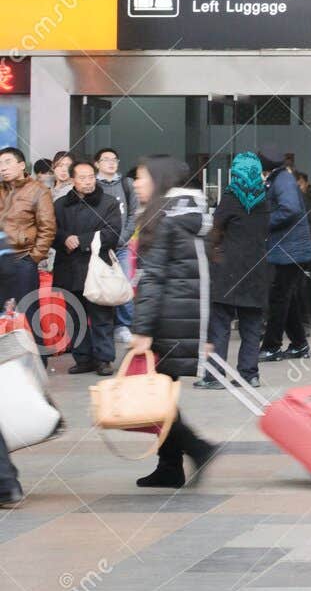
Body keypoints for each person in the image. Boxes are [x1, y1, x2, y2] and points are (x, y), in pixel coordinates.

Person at [126, 155, 218, 489]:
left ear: (159, 179)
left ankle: (197, 447)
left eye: (141, 177)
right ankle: (170, 466)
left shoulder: (164, 217)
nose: (136, 184)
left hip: (166, 320)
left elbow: (153, 277)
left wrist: (142, 329)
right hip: (184, 317)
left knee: (154, 396)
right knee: (161, 393)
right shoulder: (189, 215)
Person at [195, 152, 272, 391]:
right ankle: (249, 375)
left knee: (220, 324)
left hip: (227, 268)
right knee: (251, 325)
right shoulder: (265, 200)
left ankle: (214, 376)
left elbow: (216, 230)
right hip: (256, 268)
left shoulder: (230, 197)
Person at [51, 160, 121, 375]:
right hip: (68, 268)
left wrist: (81, 240)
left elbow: (112, 233)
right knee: (75, 316)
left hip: (97, 267)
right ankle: (83, 359)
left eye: (91, 177)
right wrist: (64, 239)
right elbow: (51, 231)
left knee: (101, 316)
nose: (88, 182)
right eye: (82, 178)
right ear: (72, 180)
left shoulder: (108, 203)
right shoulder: (60, 204)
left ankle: (104, 359)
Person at [258, 145, 311, 362]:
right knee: (286, 298)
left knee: (279, 299)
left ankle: (272, 346)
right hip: (289, 249)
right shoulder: (281, 178)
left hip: (288, 249)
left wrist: (265, 223)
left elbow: (290, 209)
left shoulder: (282, 181)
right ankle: (299, 344)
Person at [0, 147, 55, 341]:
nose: (2, 167)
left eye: (7, 162)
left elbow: (48, 228)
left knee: (27, 310)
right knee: (3, 312)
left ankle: (36, 355)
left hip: (22, 259)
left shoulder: (38, 190)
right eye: (0, 164)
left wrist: (33, 258)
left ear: (22, 165)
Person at [94, 148, 139, 342]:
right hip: (99, 246)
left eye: (114, 159)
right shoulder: (92, 184)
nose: (111, 163)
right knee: (100, 286)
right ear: (97, 164)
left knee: (124, 285)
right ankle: (103, 328)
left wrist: (122, 238)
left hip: (121, 246)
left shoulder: (126, 184)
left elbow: (134, 214)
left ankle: (124, 325)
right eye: (106, 159)